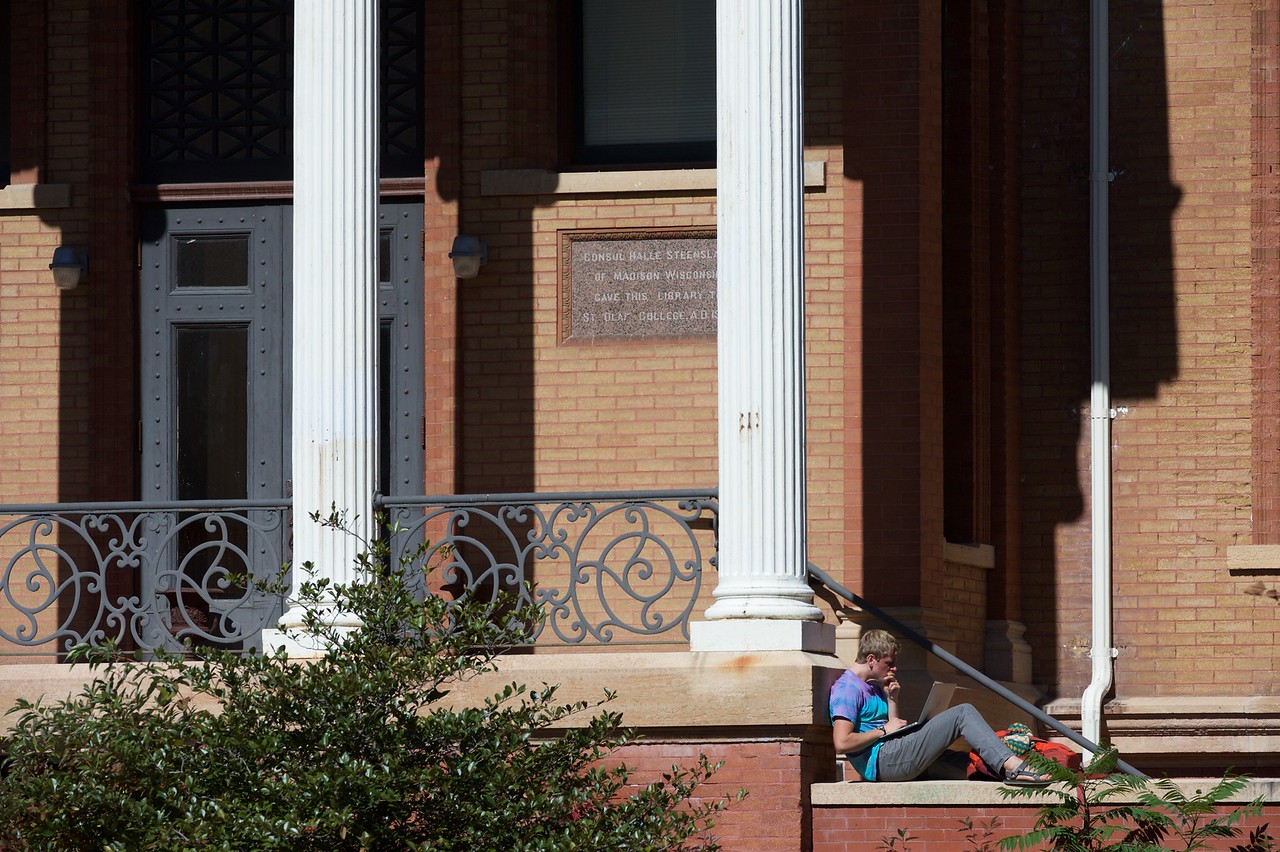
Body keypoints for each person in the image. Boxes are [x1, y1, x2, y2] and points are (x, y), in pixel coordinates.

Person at [830, 628, 1051, 785]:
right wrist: (882, 731)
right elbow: (841, 743)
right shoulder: (847, 689)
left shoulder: (873, 685)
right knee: (963, 712)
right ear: (871, 659)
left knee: (971, 765)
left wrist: (892, 698)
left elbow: (892, 727)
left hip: (893, 753)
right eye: (889, 663)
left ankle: (1023, 773)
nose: (894, 668)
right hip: (882, 762)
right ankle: (1013, 766)